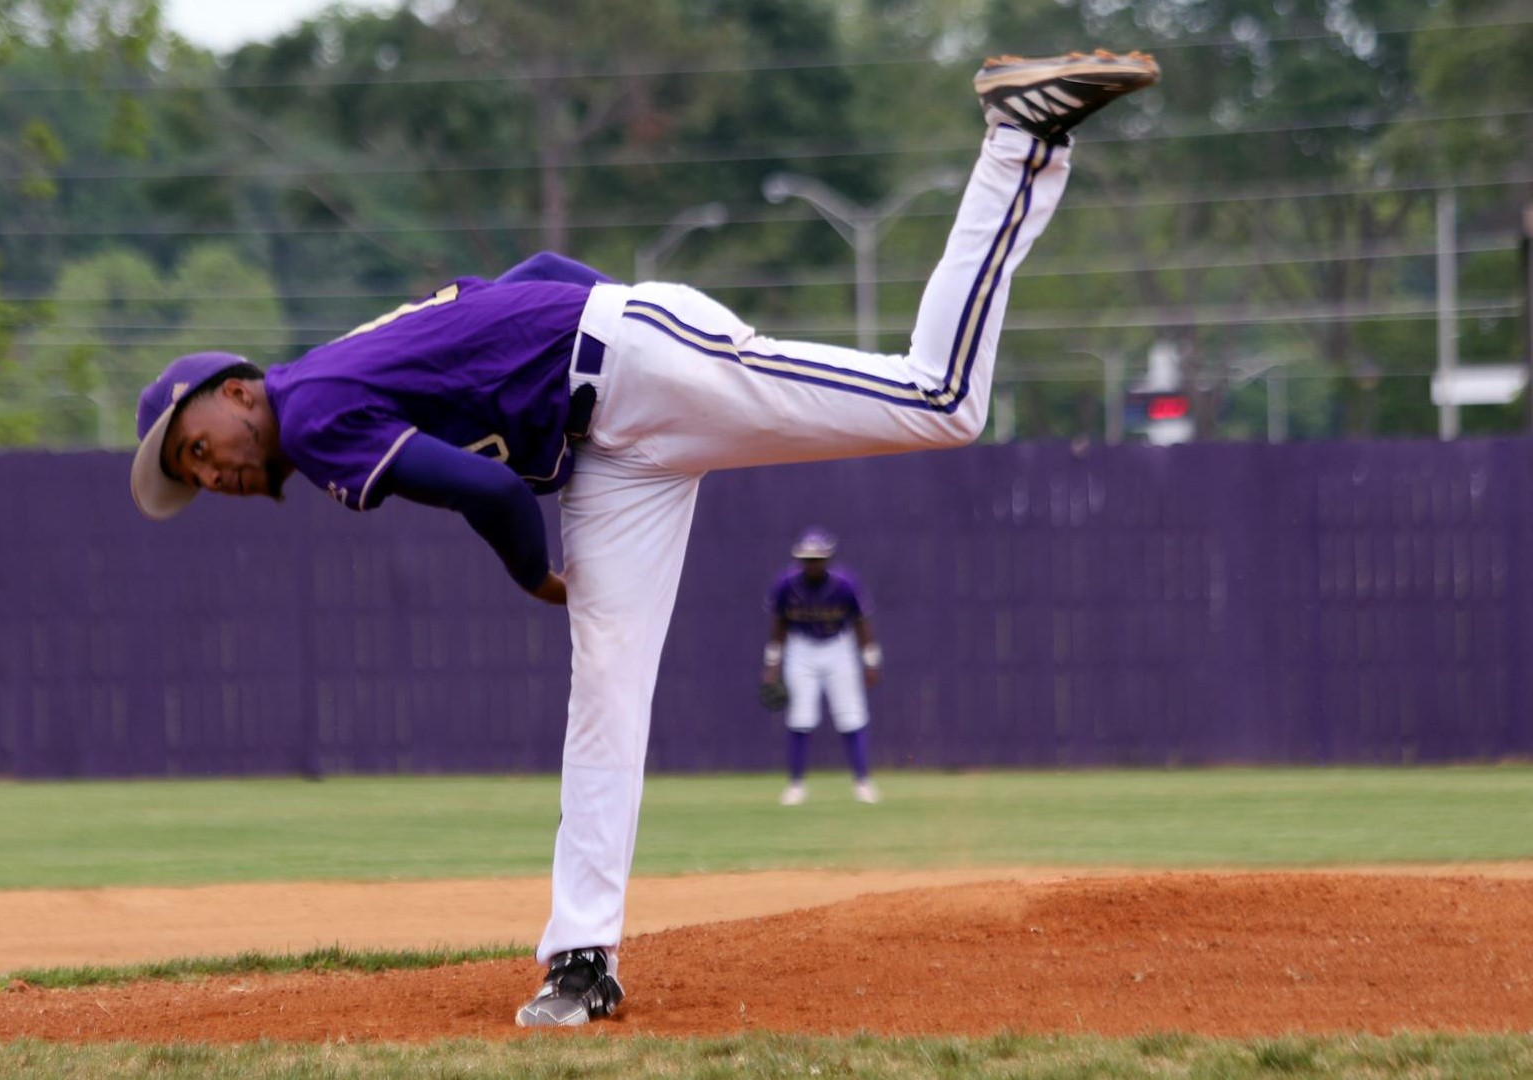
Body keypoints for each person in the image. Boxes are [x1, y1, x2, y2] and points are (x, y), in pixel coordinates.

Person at [127, 49, 1159, 1027]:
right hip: (604, 446)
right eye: (193, 476)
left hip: (634, 371)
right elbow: (538, 269)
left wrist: (535, 568)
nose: (209, 473)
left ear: (234, 391)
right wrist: (592, 338)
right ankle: (580, 961)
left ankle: (1017, 143)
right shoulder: (334, 372)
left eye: (195, 446)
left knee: (941, 402)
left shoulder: (308, 417)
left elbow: (489, 488)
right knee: (606, 685)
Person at [762, 527, 882, 806]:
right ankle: (796, 785)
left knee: (851, 715)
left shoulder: (844, 584)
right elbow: (779, 625)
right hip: (801, 648)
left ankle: (862, 782)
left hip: (838, 647)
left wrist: (871, 661)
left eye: (817, 559)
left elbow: (861, 623)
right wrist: (772, 663)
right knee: (800, 718)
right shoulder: (786, 584)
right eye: (807, 559)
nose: (812, 564)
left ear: (828, 559)